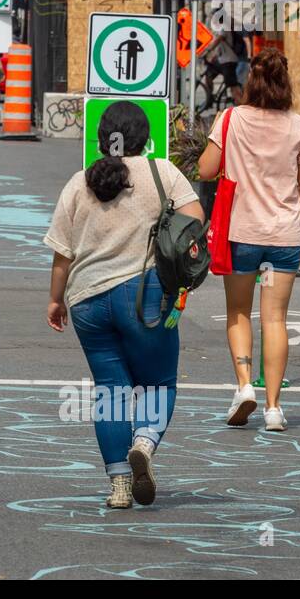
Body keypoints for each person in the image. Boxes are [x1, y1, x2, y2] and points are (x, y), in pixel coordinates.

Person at [44, 101, 204, 509]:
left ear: (102, 138)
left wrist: (55, 300)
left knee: (110, 392)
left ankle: (118, 487)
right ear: (144, 137)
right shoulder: (160, 171)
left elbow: (61, 253)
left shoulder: (79, 182)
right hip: (144, 296)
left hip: (87, 302)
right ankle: (145, 444)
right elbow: (195, 219)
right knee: (159, 381)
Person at [198, 48, 300, 432]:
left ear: (250, 82)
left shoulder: (230, 118)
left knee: (239, 312)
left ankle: (243, 386)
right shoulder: (297, 125)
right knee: (275, 318)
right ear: (286, 84)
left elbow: (206, 170)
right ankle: (273, 408)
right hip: (284, 238)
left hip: (242, 236)